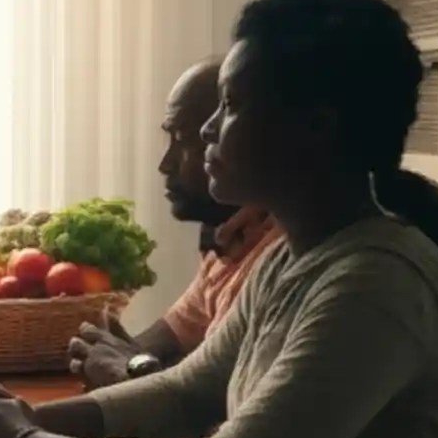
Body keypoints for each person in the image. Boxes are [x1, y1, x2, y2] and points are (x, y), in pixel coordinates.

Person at [0, 0, 438, 438]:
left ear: (316, 126)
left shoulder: (375, 287)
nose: (207, 130)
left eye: (231, 104)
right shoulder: (295, 258)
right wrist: (30, 419)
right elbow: (186, 391)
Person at [67, 60, 282, 389]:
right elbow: (155, 345)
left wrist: (132, 368)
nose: (165, 164)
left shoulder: (277, 260)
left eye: (183, 140)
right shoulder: (229, 246)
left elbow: (227, 407)